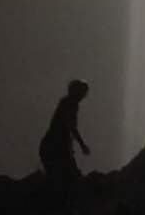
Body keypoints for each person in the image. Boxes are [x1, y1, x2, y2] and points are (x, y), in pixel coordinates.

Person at [39, 79, 92, 207]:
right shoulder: (69, 104)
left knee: (65, 180)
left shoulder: (70, 104)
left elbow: (69, 128)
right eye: (82, 92)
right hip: (53, 148)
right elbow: (69, 126)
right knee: (64, 180)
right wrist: (81, 144)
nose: (83, 96)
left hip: (56, 148)